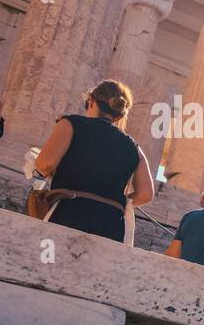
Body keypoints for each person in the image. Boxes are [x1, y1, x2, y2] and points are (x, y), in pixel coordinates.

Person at [31, 79, 155, 242]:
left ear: (91, 99)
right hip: (112, 222)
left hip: (70, 210)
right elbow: (146, 194)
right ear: (119, 114)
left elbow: (45, 163)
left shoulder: (70, 123)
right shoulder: (134, 147)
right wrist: (112, 198)